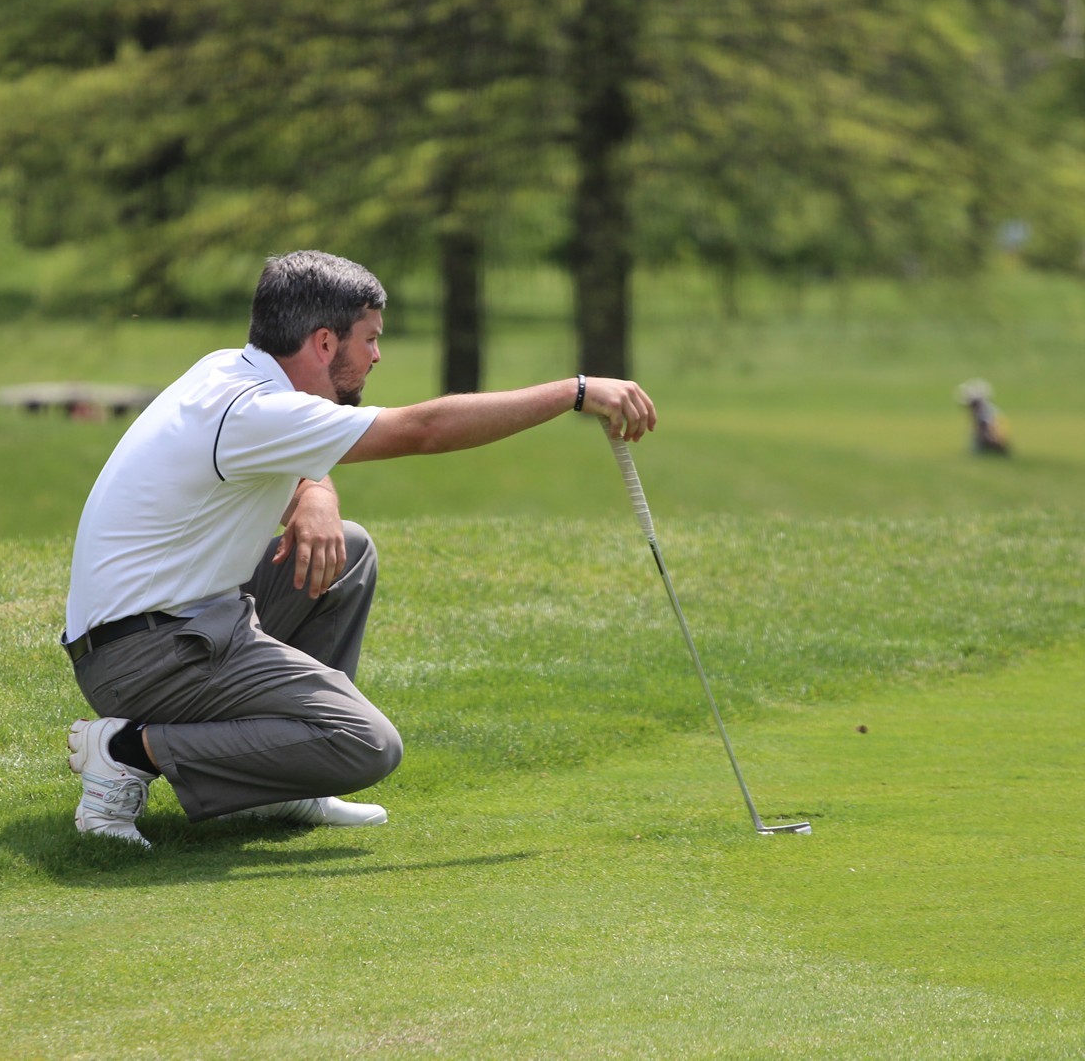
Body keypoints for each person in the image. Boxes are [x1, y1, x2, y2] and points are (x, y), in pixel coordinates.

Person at [62, 250, 656, 848]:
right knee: (367, 743)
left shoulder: (228, 371)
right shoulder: (255, 409)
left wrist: (317, 493)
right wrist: (574, 392)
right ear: (325, 342)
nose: (377, 356)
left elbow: (291, 448)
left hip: (166, 628)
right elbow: (423, 430)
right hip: (147, 658)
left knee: (349, 549)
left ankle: (284, 780)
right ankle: (125, 750)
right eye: (369, 339)